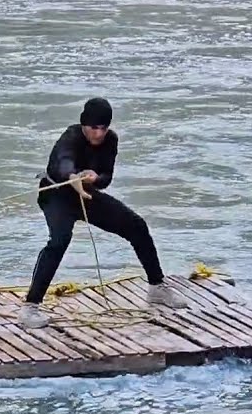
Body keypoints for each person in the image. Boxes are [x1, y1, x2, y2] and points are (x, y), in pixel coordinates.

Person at [19, 97, 188, 329]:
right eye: (93, 128)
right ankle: (30, 307)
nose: (98, 134)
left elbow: (106, 176)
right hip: (56, 194)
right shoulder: (71, 136)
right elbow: (62, 162)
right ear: (83, 124)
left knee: (136, 226)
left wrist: (95, 178)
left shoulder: (111, 140)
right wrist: (73, 177)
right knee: (59, 241)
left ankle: (157, 287)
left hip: (86, 196)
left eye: (103, 128)